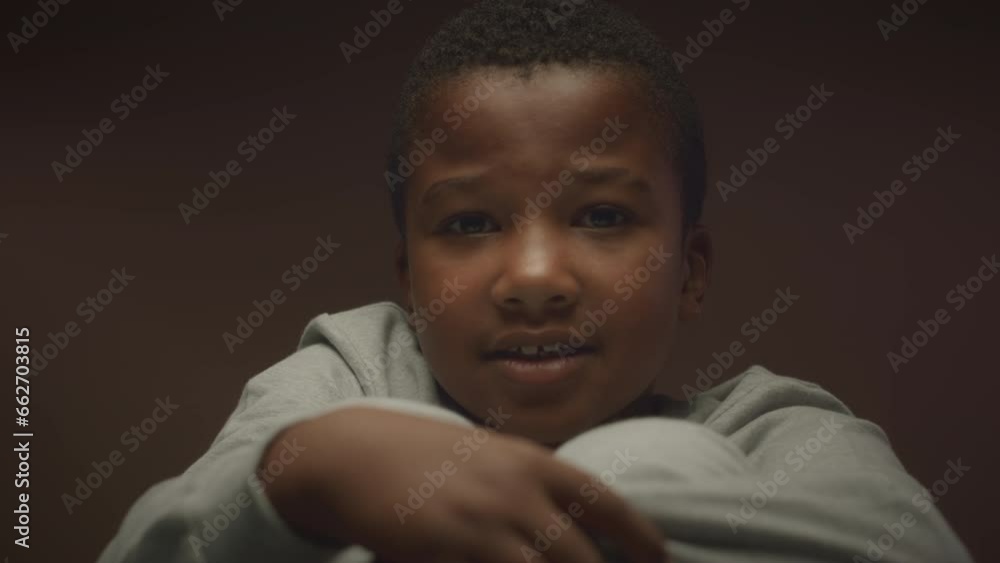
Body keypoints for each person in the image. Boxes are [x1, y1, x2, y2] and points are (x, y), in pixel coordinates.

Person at [97, 1, 974, 562]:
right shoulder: (353, 382)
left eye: (600, 216)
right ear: (410, 275)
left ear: (689, 271)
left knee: (654, 458)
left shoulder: (781, 430)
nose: (535, 277)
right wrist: (305, 473)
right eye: (471, 224)